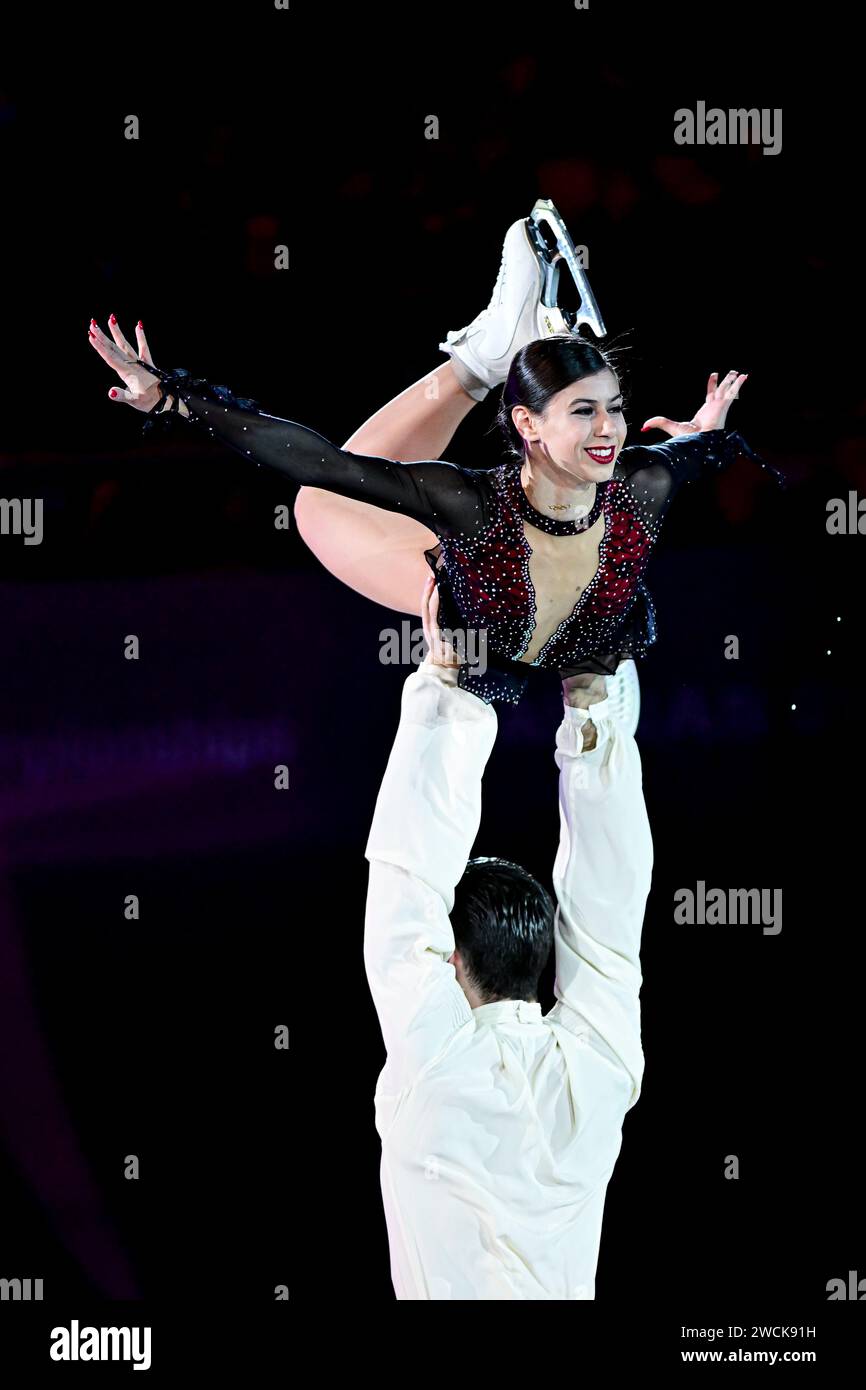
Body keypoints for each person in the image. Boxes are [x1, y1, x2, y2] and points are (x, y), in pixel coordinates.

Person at [87, 212, 785, 706]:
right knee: (320, 504)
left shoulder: (641, 480)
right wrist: (174, 400)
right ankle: (482, 362)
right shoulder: (481, 507)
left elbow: (701, 452)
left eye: (614, 409)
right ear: (527, 424)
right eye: (584, 411)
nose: (609, 428)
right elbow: (320, 464)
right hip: (500, 629)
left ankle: (480, 363)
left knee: (322, 511)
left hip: (570, 656)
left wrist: (702, 434)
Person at [360, 572, 652, 1299]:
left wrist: (589, 699)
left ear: (454, 959)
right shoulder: (592, 1071)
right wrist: (454, 680)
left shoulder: (441, 1060)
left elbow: (611, 916)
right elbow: (409, 893)